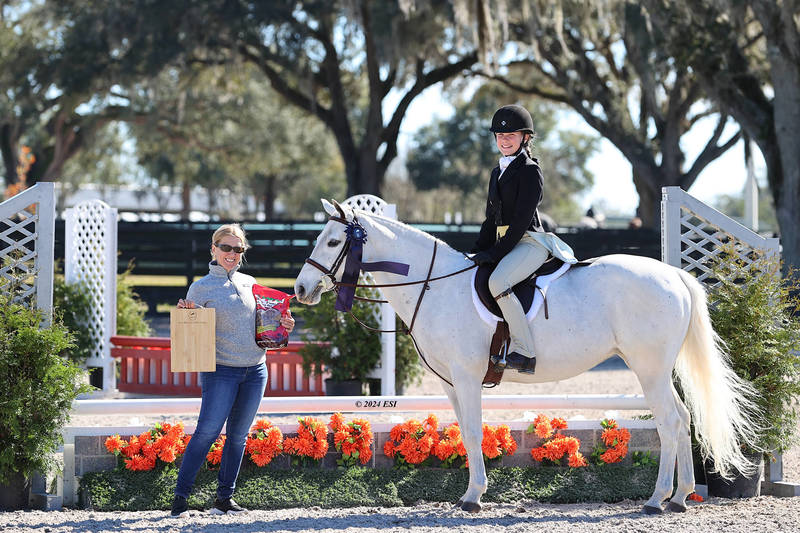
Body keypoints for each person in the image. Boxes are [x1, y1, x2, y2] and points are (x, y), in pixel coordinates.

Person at [170, 223, 295, 517]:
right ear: (213, 249)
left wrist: (284, 325)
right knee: (207, 433)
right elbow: (190, 334)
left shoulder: (251, 283)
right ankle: (180, 498)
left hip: (256, 370)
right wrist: (186, 316)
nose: (232, 253)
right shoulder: (200, 288)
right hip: (221, 371)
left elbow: (265, 323)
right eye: (226, 247)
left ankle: (224, 499)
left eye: (238, 249)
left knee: (238, 437)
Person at [471, 104, 577, 374]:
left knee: (498, 282)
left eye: (511, 136)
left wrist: (494, 254)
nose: (504, 140)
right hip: (504, 242)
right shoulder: (497, 172)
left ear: (525, 138)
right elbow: (490, 219)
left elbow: (519, 222)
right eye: (500, 136)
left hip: (529, 242)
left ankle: (525, 352)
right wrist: (475, 252)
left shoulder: (530, 170)